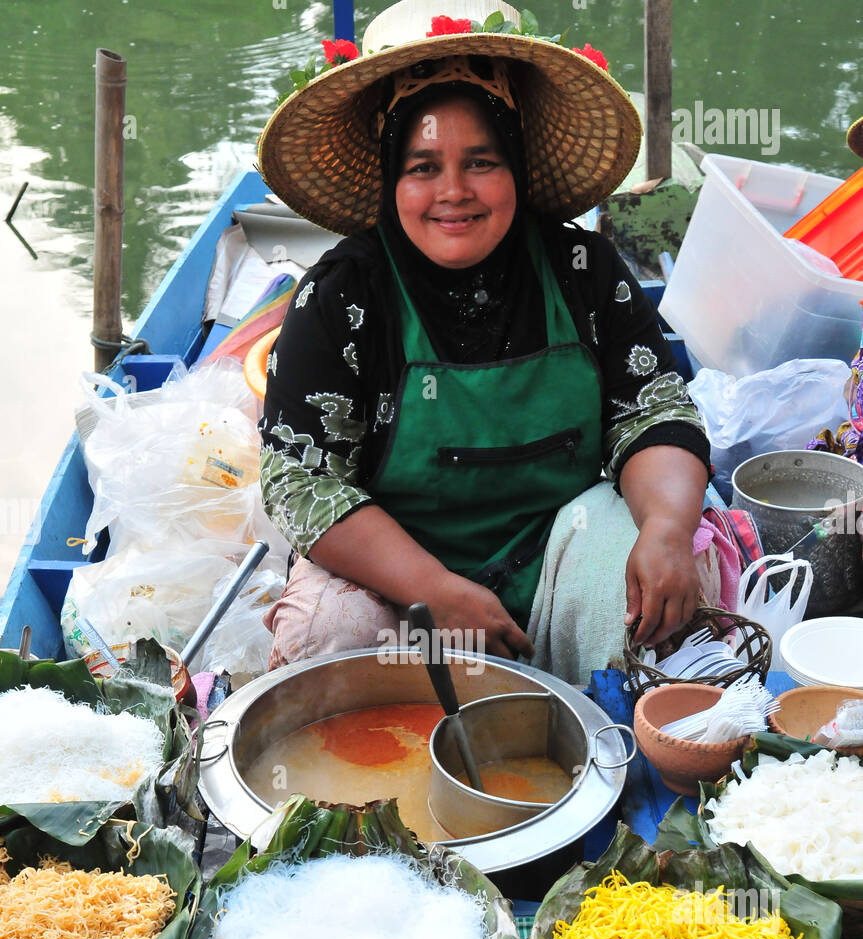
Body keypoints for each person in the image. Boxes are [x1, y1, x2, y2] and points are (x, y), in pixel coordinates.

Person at [256, 0, 717, 679]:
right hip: (395, 579)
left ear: (517, 167)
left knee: (659, 598)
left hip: (559, 549)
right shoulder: (343, 293)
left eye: (480, 162)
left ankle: (607, 742)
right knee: (331, 629)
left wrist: (667, 529)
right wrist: (433, 590)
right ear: (390, 177)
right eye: (421, 167)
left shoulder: (581, 270)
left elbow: (653, 414)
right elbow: (299, 479)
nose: (452, 193)